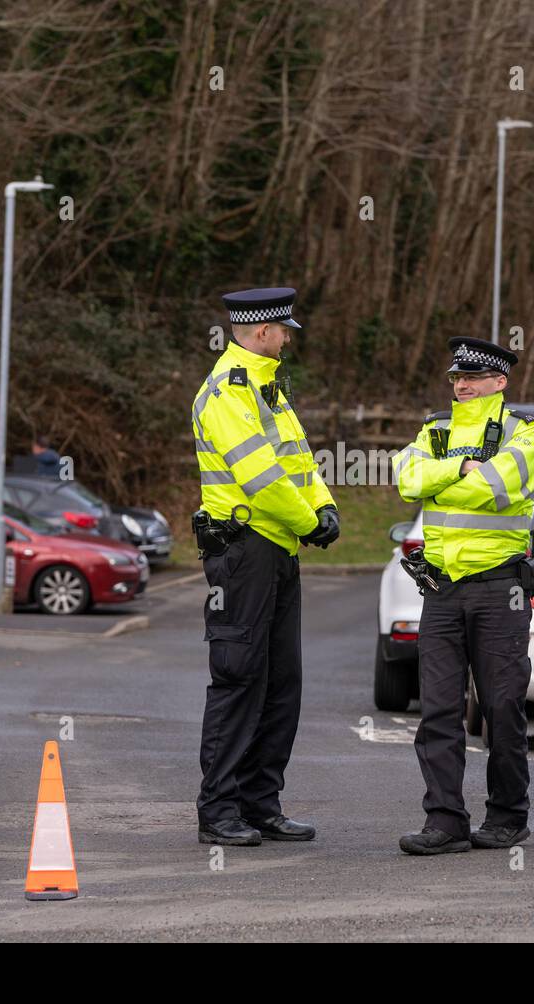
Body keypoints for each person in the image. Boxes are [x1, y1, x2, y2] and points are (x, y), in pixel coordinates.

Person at [190, 287, 340, 846]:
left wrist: (323, 506)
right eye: (283, 331)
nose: (287, 338)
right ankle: (219, 809)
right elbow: (261, 477)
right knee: (238, 677)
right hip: (244, 550)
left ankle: (260, 803)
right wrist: (309, 521)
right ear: (261, 333)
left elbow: (297, 460)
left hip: (277, 551)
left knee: (282, 683)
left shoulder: (267, 387)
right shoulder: (228, 392)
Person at [391, 337, 534, 855]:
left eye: (474, 378)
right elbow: (407, 481)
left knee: (502, 706)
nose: (462, 385)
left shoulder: (523, 431)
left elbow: (497, 489)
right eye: (457, 377)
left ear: (499, 382)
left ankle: (507, 816)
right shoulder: (434, 430)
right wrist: (457, 470)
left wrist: (442, 482)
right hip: (441, 590)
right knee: (437, 710)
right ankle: (445, 821)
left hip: (499, 589)